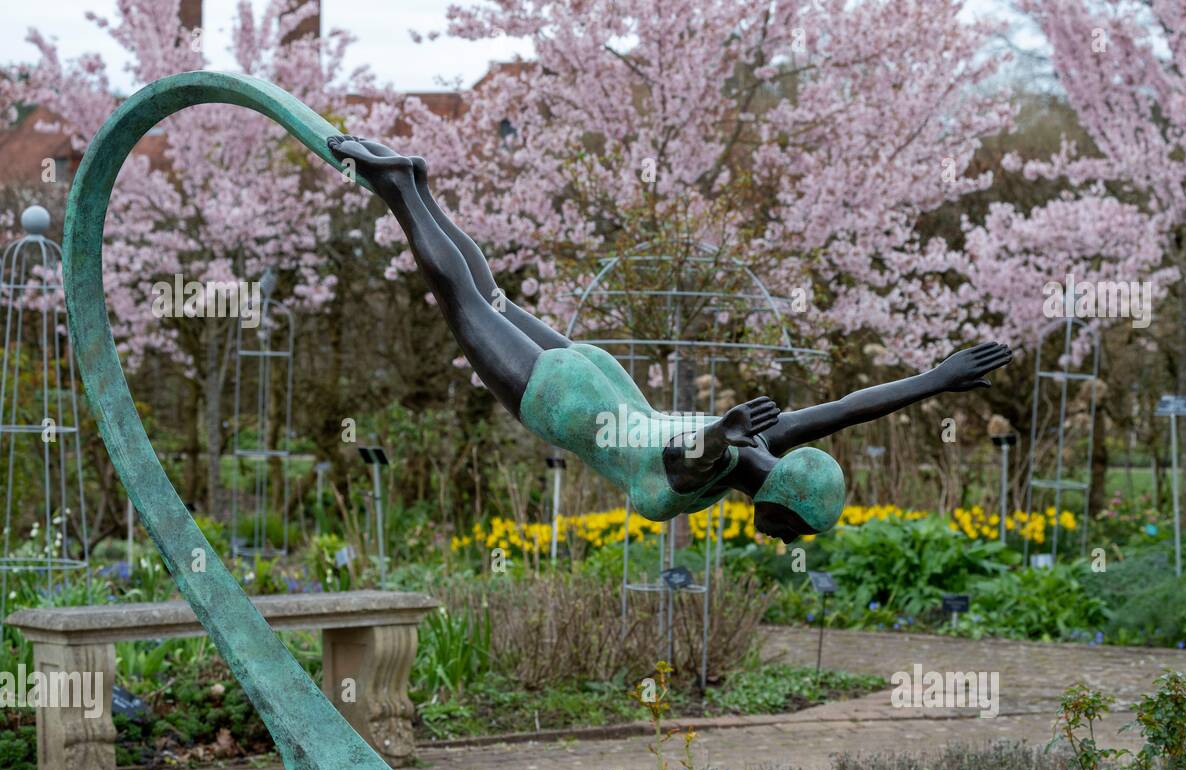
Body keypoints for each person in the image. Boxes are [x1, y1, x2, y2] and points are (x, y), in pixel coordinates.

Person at [328, 135, 1013, 542]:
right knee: (465, 302)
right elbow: (690, 455)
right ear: (779, 508)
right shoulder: (718, 464)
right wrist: (721, 427)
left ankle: (417, 186)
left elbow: (848, 407)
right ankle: (397, 190)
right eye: (797, 532)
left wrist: (936, 380)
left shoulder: (763, 444)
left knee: (494, 294)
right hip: (560, 401)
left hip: (598, 376)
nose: (791, 542)